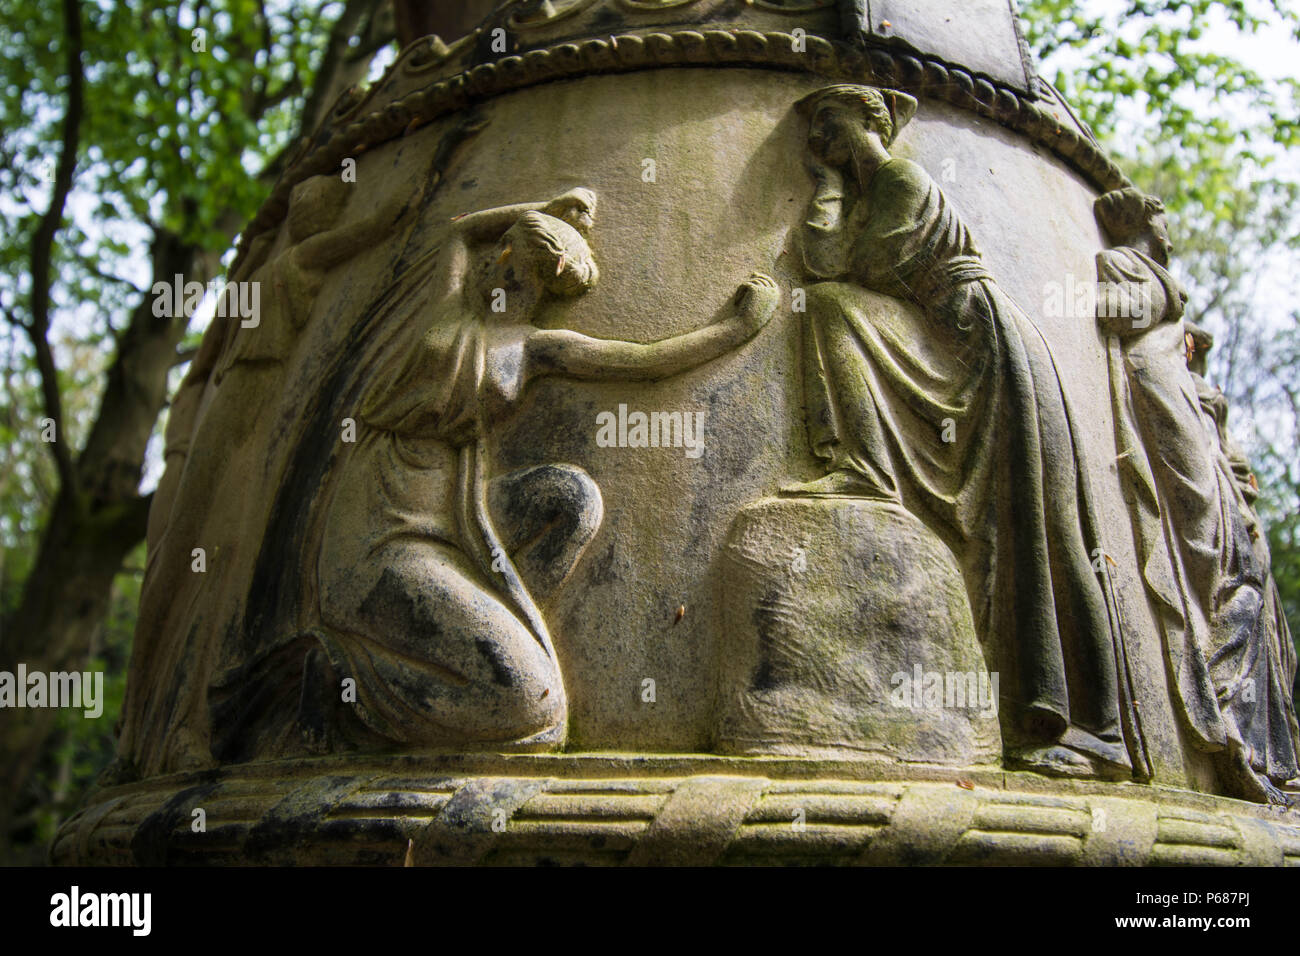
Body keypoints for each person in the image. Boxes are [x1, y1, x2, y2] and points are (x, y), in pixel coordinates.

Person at [221, 192, 781, 756]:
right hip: (378, 528)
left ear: (528, 266)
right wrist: (551, 204)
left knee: (572, 498)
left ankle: (498, 625)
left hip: (453, 511)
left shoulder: (536, 348)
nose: (494, 255)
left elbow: (644, 361)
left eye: (508, 247)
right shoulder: (450, 309)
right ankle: (335, 682)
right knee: (532, 709)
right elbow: (458, 231)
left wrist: (735, 330)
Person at [783, 84, 1131, 779]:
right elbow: (825, 267)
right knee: (827, 307)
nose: (821, 140)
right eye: (815, 131)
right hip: (943, 340)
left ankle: (1102, 729)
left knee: (1047, 529)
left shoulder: (904, 179)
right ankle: (866, 467)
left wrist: (839, 217)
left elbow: (870, 263)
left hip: (990, 348)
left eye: (831, 125)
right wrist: (823, 187)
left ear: (872, 120)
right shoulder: (857, 192)